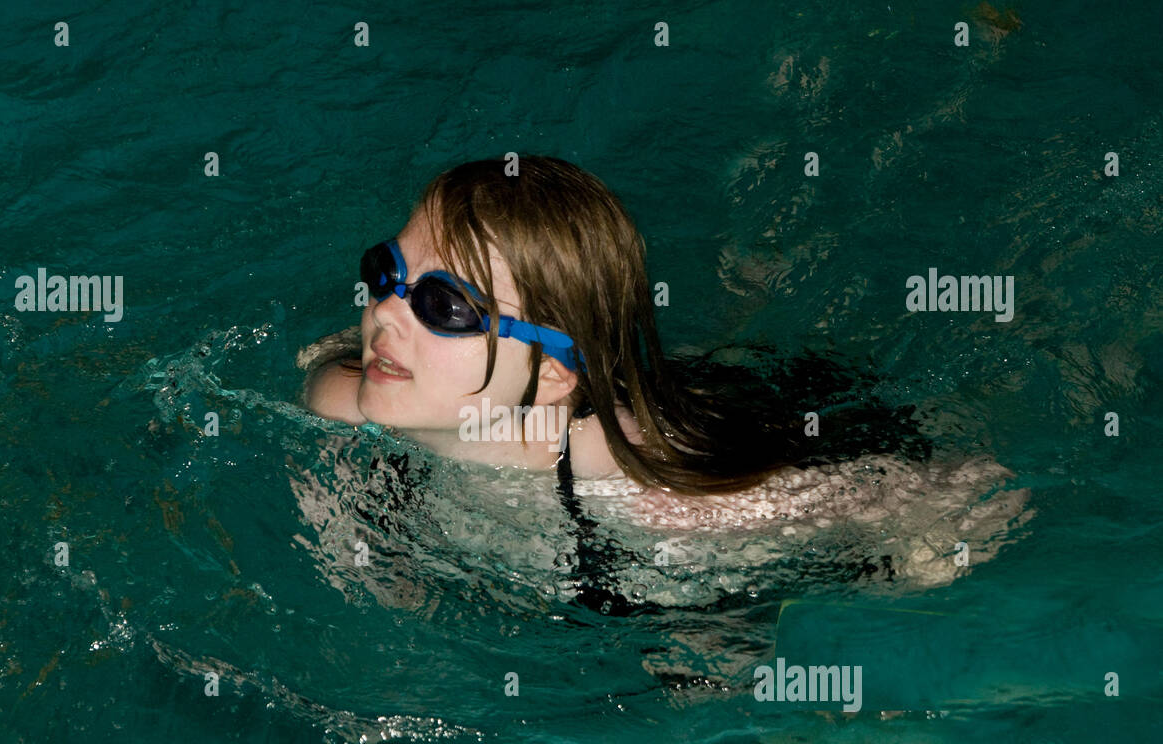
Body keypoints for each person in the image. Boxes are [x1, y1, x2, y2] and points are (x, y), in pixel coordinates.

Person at [299, 155, 1030, 611]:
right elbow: (323, 367)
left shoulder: (659, 498)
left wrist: (917, 550)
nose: (386, 311)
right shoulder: (346, 401)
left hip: (783, 427)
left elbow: (979, 490)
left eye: (445, 305)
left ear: (552, 371)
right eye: (384, 272)